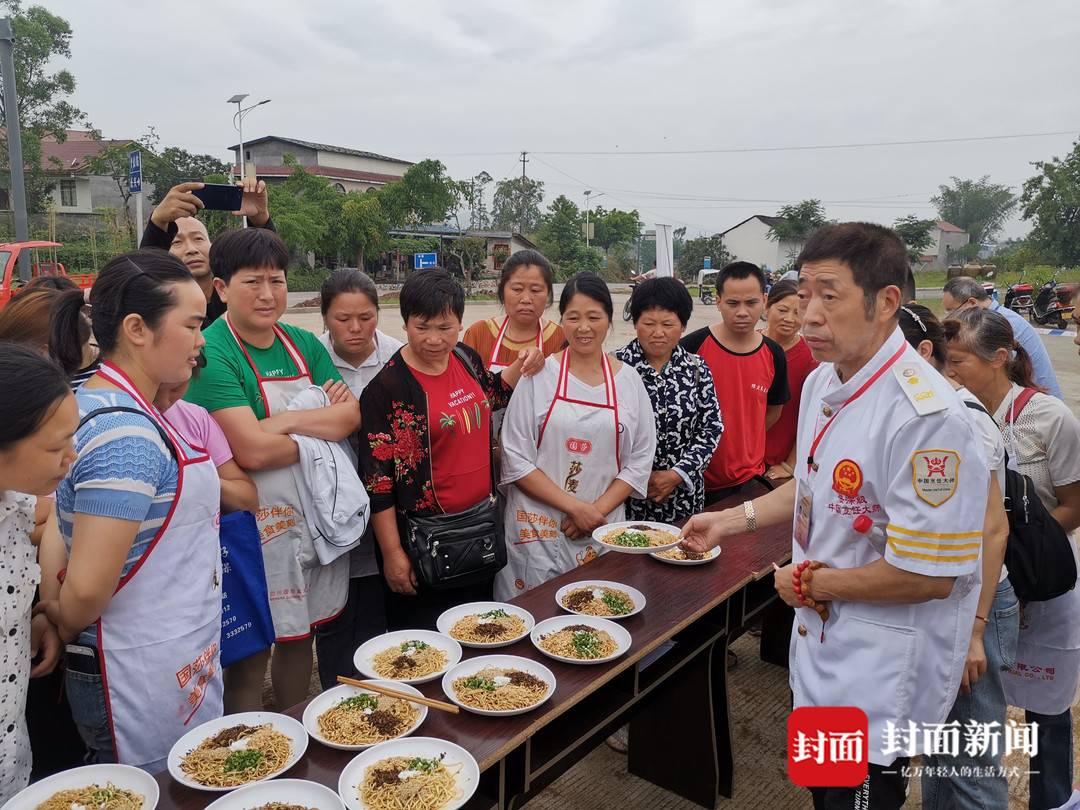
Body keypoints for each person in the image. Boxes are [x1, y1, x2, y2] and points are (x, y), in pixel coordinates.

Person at [682, 223, 989, 810]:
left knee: (854, 801)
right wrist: (729, 520)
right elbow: (810, 486)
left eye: (830, 294)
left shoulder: (926, 418)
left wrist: (807, 582)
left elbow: (930, 573)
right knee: (825, 796)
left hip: (874, 679)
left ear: (886, 303)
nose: (808, 314)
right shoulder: (828, 379)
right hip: (821, 655)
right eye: (803, 292)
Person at [44, 250, 223, 772]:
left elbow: (61, 516)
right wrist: (61, 617)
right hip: (135, 671)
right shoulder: (126, 435)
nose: (201, 340)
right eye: (192, 325)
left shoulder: (98, 402)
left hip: (175, 651)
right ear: (137, 328)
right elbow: (89, 589)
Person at [184, 228, 358, 711]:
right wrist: (315, 427)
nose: (267, 294)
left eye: (276, 281)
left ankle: (294, 731)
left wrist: (281, 423)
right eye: (252, 282)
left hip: (313, 516)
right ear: (220, 288)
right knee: (250, 648)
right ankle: (251, 758)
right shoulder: (212, 351)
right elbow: (251, 453)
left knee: (300, 636)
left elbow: (350, 417)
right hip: (251, 525)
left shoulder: (304, 342)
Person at [944, 307, 1080, 810]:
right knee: (981, 704)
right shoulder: (951, 414)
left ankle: (1053, 799)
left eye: (958, 360)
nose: (949, 370)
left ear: (1000, 358)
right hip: (988, 581)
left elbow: (1072, 505)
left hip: (1041, 581)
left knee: (1046, 707)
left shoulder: (1048, 417)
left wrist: (1018, 559)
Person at [359, 269, 542, 628]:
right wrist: (394, 554)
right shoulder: (388, 389)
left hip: (479, 529)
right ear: (405, 322)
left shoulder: (465, 358)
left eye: (445, 327)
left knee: (479, 628)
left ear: (460, 323)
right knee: (427, 642)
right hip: (425, 543)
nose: (433, 339)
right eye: (421, 326)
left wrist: (524, 361)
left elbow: (493, 392)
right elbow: (378, 485)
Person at [897, 305, 1016, 810]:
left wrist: (974, 631)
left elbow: (993, 529)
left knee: (969, 764)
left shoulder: (960, 420)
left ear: (923, 354)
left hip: (975, 604)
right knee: (942, 753)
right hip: (947, 600)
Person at [495, 273, 656, 600]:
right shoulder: (538, 376)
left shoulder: (630, 382)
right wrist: (574, 508)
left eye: (594, 317)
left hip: (600, 527)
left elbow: (639, 460)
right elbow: (515, 456)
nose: (584, 327)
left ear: (609, 320)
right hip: (535, 528)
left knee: (594, 620)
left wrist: (594, 512)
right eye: (574, 317)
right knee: (529, 620)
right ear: (561, 321)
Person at [314, 269, 401, 688]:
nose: (355, 328)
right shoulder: (310, 360)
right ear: (324, 318)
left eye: (365, 317)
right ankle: (337, 696)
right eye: (342, 319)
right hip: (329, 506)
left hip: (387, 506)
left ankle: (381, 695)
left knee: (377, 610)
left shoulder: (397, 357)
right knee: (334, 614)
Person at [0, 345, 73, 804]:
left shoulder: (16, 505)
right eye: (55, 446)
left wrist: (30, 619)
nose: (72, 456)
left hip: (13, 760)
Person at [614, 276, 722, 523]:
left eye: (668, 324)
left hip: (682, 498)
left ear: (683, 326)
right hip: (625, 497)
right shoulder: (614, 367)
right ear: (635, 323)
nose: (658, 333)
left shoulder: (697, 369)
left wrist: (676, 474)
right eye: (649, 323)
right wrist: (636, 477)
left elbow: (711, 428)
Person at [680, 261, 790, 502]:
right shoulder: (691, 349)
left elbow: (773, 411)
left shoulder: (774, 354)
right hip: (692, 480)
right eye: (733, 303)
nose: (742, 312)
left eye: (751, 303)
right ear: (718, 301)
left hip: (747, 481)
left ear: (764, 299)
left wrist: (744, 440)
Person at [141, 177, 276, 328]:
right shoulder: (165, 306)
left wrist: (260, 219)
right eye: (177, 242)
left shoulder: (237, 294)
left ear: (211, 245)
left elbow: (268, 270)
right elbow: (144, 278)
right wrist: (158, 222)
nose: (191, 249)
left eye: (198, 238)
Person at [942, 275, 1062, 399]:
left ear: (972, 303)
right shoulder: (999, 317)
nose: (949, 317)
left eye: (951, 311)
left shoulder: (997, 325)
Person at [462, 249, 564, 372]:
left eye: (536, 290)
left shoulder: (561, 339)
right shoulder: (478, 334)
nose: (526, 299)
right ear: (502, 292)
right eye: (517, 289)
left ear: (548, 294)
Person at [762, 280, 819, 483]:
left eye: (798, 313)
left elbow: (811, 416)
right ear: (766, 305)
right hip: (739, 457)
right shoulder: (747, 345)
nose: (789, 319)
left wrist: (791, 463)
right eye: (783, 310)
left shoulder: (811, 358)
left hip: (775, 462)